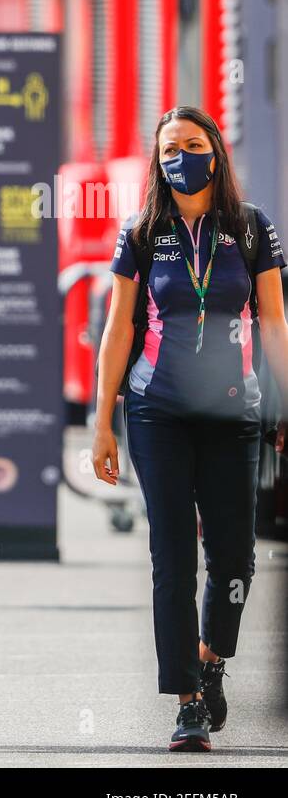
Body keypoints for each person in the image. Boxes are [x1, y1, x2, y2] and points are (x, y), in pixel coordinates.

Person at [92, 105, 288, 751]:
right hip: (158, 411)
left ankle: (211, 660)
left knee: (233, 554)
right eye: (169, 146)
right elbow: (118, 330)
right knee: (171, 554)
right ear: (157, 158)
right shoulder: (142, 232)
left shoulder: (252, 229)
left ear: (216, 152)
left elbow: (274, 323)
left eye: (193, 143)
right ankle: (186, 700)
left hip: (235, 412)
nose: (181, 154)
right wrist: (102, 424)